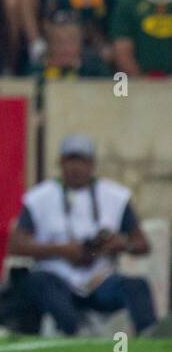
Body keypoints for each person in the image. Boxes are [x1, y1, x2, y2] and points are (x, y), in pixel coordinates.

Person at [9, 134, 155, 336]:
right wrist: (61, 250)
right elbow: (16, 245)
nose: (76, 167)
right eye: (71, 160)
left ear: (92, 164)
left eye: (82, 161)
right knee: (37, 282)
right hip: (58, 277)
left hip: (100, 278)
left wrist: (119, 244)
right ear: (61, 163)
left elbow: (142, 244)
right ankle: (73, 331)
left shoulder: (115, 196)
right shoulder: (39, 197)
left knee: (136, 286)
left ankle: (150, 337)